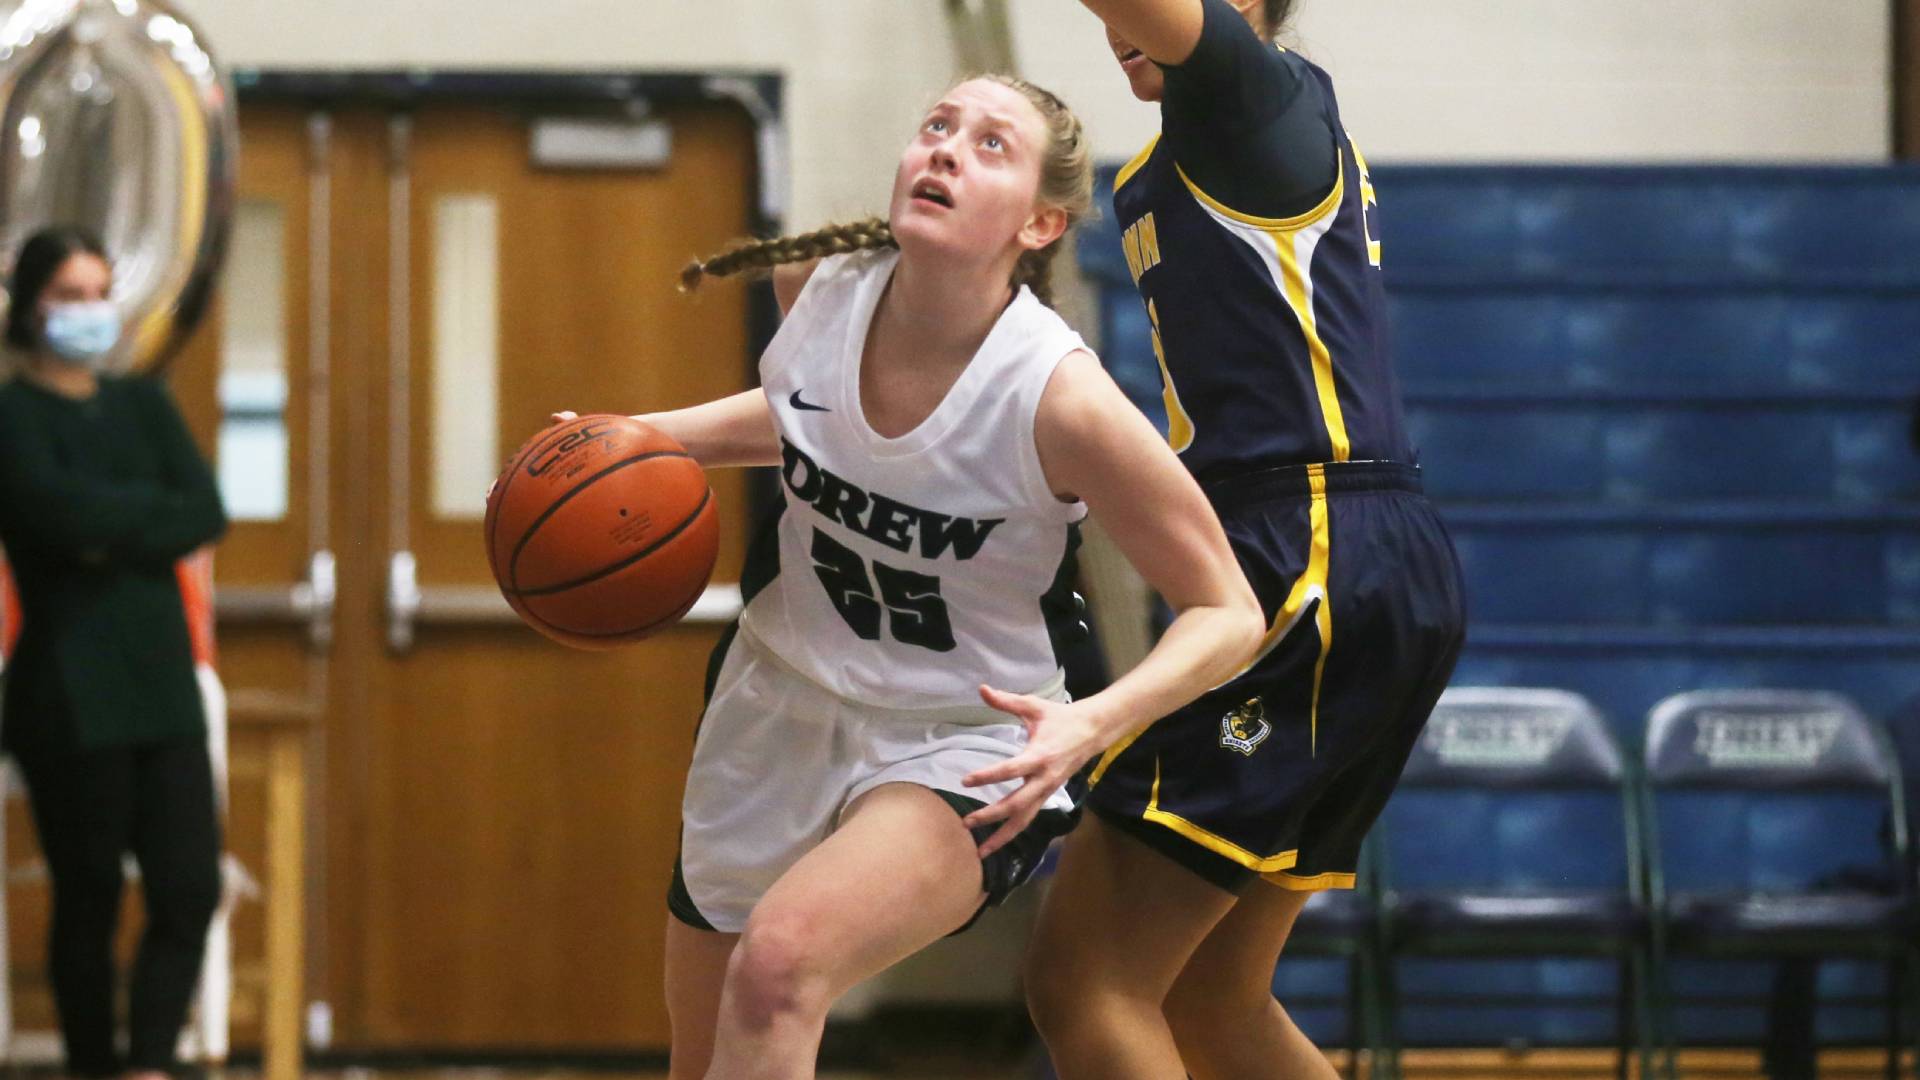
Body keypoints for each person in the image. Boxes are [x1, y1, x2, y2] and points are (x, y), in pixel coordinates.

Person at [555, 74, 1263, 1078]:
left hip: (958, 741)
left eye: (988, 146)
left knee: (781, 966)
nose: (943, 150)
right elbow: (811, 425)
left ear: (1041, 221)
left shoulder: (1058, 399)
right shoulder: (818, 293)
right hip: (777, 700)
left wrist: (1088, 724)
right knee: (706, 1048)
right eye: (936, 126)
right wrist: (638, 439)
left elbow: (1227, 611)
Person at [1015, 3, 1470, 1077]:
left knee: (1086, 981)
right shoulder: (1212, 134)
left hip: (1309, 547)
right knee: (1211, 1000)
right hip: (1336, 552)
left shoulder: (1248, 91)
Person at [0, 227, 227, 1080]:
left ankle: (150, 1064)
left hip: (161, 681)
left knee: (188, 887)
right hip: (66, 691)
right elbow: (51, 517)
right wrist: (136, 517)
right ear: (30, 307)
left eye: (100, 292)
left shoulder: (140, 402)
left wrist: (104, 526)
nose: (90, 310)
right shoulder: (13, 414)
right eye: (69, 294)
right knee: (89, 895)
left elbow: (201, 510)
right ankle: (92, 1066)